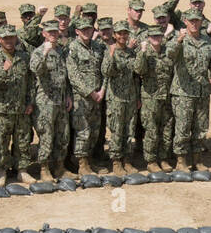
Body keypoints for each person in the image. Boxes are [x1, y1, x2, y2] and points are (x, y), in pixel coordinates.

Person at [0, 24, 36, 185]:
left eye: (11, 37)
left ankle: (22, 170)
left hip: (21, 108)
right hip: (2, 109)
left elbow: (31, 82)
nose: (9, 41)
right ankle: (1, 171)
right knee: (1, 142)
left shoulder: (24, 57)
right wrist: (3, 71)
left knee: (23, 141)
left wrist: (30, 102)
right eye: (5, 38)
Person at [167, 8, 211, 170]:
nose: (194, 23)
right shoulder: (178, 38)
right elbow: (170, 55)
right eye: (191, 21)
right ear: (185, 22)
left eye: (197, 20)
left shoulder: (207, 41)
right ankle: (181, 161)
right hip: (183, 92)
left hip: (202, 91)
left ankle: (197, 159)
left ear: (202, 22)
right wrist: (179, 41)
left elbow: (210, 61)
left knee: (201, 127)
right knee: (183, 127)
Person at [30, 18, 72, 179]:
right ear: (44, 34)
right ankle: (44, 168)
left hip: (60, 100)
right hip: (45, 101)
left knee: (63, 135)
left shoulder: (61, 51)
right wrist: (45, 53)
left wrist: (67, 95)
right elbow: (35, 69)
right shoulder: (38, 51)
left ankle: (59, 167)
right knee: (46, 136)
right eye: (50, 32)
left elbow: (64, 76)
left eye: (56, 31)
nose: (54, 34)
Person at [66, 16, 107, 174]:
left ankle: (89, 161)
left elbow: (105, 71)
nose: (86, 32)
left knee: (94, 130)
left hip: (97, 97)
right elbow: (73, 75)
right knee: (82, 131)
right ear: (77, 31)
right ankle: (82, 164)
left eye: (89, 29)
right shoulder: (73, 48)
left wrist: (102, 90)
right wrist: (90, 93)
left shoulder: (98, 47)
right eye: (83, 30)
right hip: (81, 98)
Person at [133, 24, 175, 172]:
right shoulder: (145, 52)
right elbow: (138, 69)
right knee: (151, 130)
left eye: (158, 36)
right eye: (153, 36)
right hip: (150, 98)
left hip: (166, 97)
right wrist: (143, 52)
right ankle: (151, 161)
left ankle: (163, 158)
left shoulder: (167, 52)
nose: (156, 38)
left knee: (166, 129)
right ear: (148, 38)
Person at [102, 21, 139, 175]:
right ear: (115, 35)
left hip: (130, 98)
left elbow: (136, 77)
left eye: (125, 33)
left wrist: (137, 97)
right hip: (116, 99)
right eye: (119, 33)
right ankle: (116, 162)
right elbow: (106, 71)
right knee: (117, 131)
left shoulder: (131, 53)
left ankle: (127, 161)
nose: (123, 36)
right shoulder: (110, 51)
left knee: (130, 131)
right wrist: (111, 55)